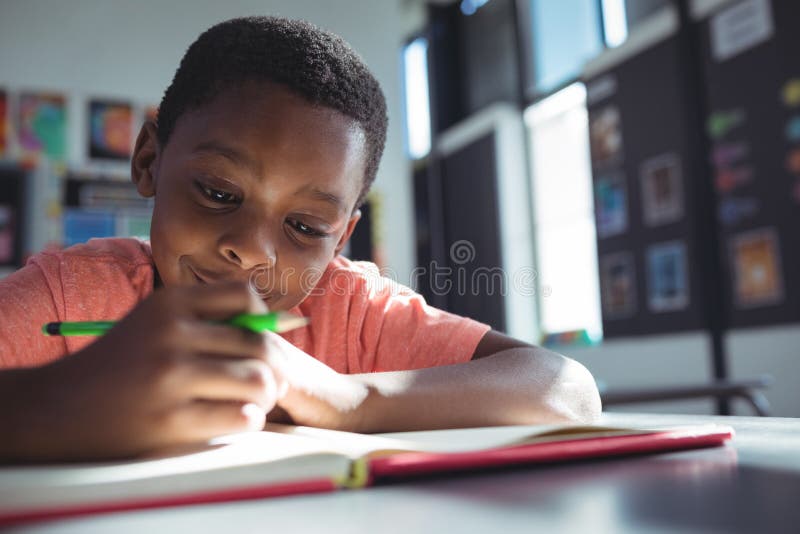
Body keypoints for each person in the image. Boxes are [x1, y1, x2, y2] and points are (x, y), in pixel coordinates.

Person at [0, 16, 600, 462]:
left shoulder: (353, 313)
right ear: (149, 159)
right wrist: (67, 399)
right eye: (217, 192)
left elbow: (567, 390)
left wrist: (350, 400)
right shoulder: (70, 295)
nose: (255, 250)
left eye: (306, 228)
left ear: (341, 239)